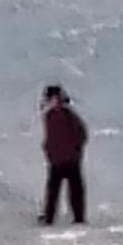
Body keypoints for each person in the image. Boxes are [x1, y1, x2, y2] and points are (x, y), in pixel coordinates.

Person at [39, 84, 88, 226]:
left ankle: (77, 218)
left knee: (72, 190)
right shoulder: (50, 116)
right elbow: (50, 137)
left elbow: (81, 134)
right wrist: (48, 149)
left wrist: (75, 150)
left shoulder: (67, 115)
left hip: (69, 160)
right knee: (54, 191)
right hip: (58, 160)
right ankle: (50, 217)